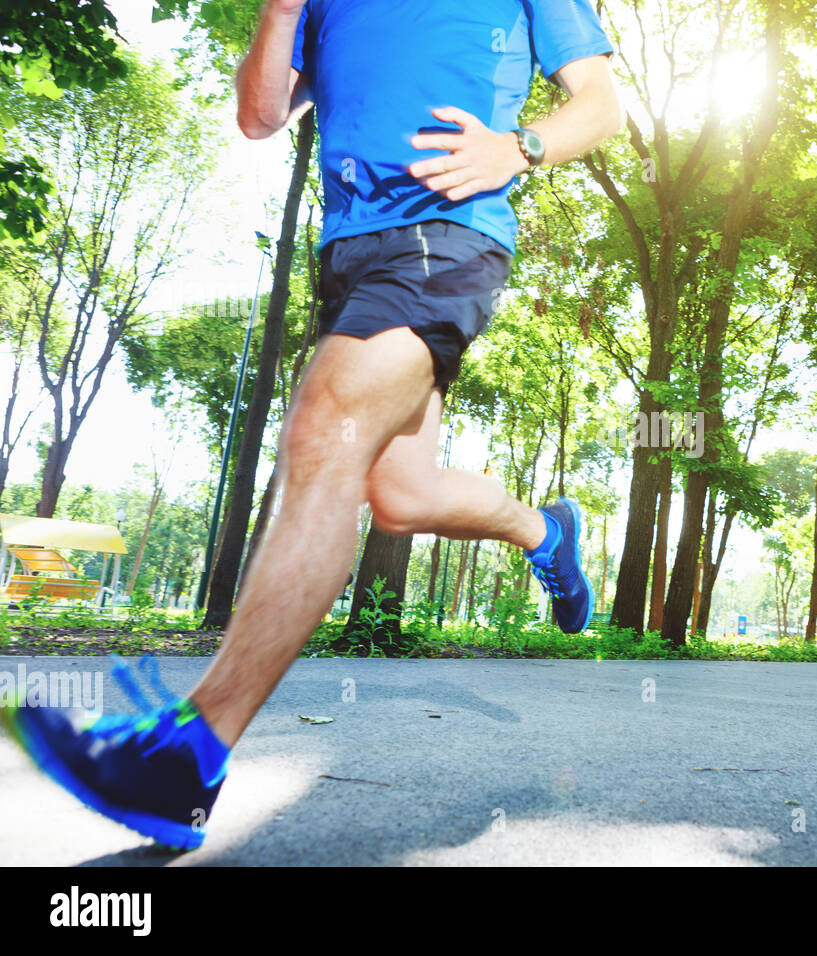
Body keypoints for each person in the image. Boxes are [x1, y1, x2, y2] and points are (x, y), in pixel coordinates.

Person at [0, 0, 622, 851]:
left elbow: (600, 102)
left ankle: (187, 755)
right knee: (401, 494)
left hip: (446, 232)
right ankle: (544, 531)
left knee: (322, 431)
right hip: (351, 251)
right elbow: (260, 115)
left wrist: (519, 147)